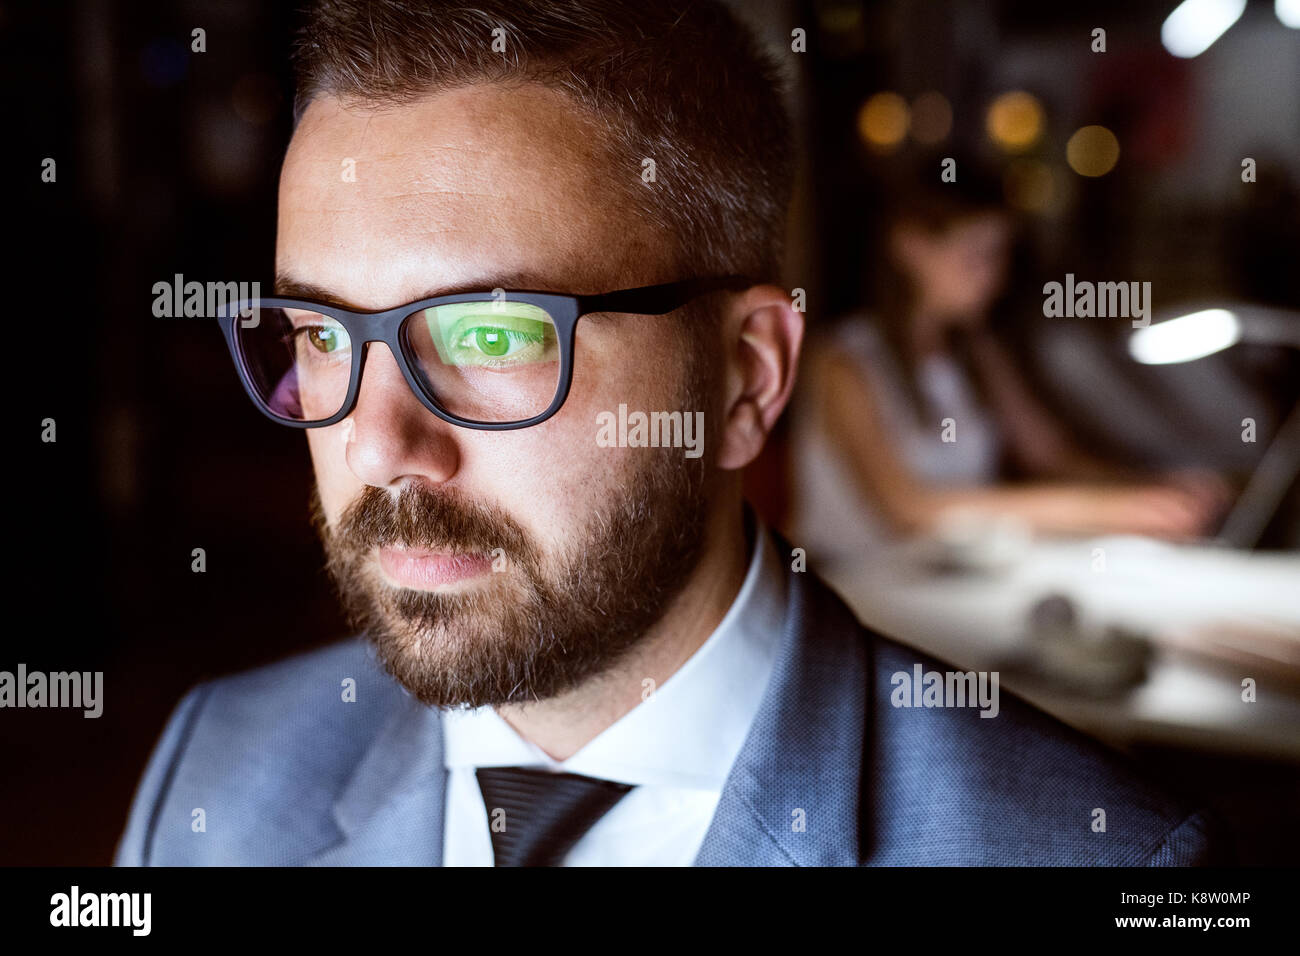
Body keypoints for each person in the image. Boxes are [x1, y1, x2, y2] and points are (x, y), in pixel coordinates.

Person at [114, 0, 1222, 867]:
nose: (375, 444)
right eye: (318, 333)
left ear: (743, 378)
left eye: (493, 337)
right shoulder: (214, 771)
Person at [789, 172, 1231, 565]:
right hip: (854, 590)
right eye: (977, 254)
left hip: (942, 584)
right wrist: (1105, 509)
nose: (994, 277)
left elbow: (1048, 453)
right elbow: (908, 511)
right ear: (912, 247)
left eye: (1000, 256)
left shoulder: (977, 349)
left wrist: (1153, 488)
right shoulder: (842, 363)